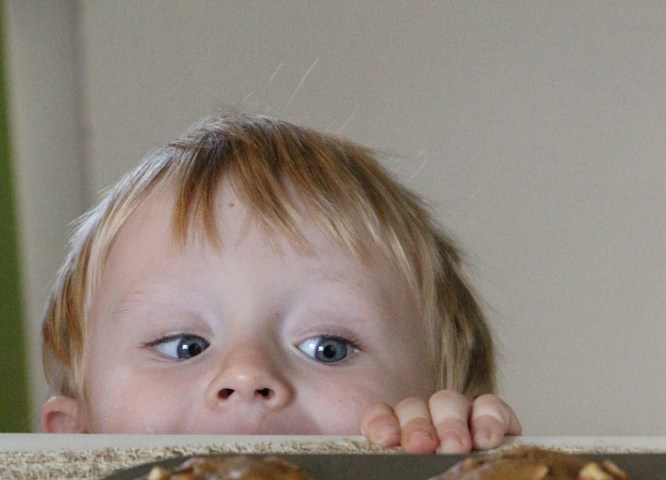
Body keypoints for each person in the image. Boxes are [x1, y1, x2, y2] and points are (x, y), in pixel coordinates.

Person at [40, 112, 521, 452]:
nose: (247, 375)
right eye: (184, 346)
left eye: (328, 348)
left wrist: (463, 468)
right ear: (72, 440)